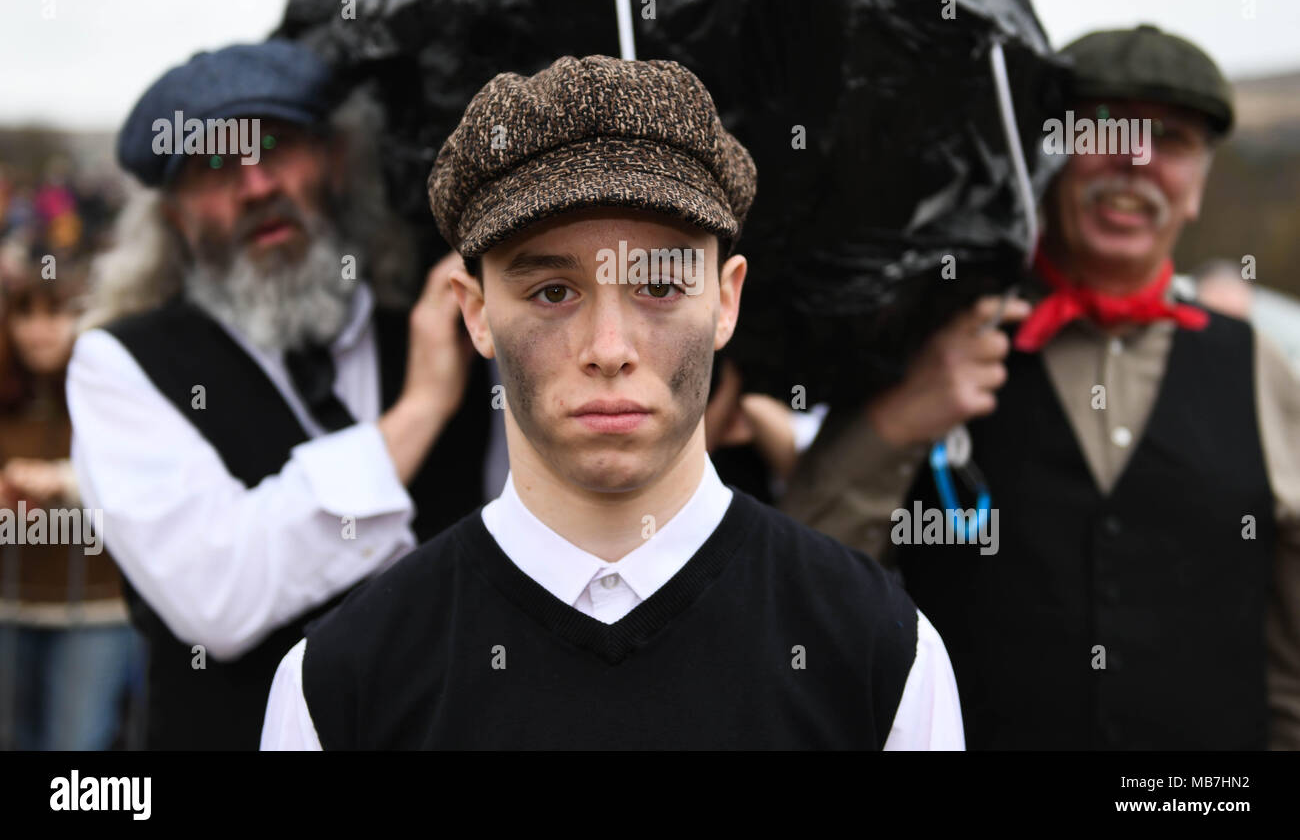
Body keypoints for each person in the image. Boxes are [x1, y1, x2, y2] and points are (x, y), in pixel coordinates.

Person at [261, 54, 964, 750]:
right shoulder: (339, 685)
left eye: (657, 285)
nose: (608, 345)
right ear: (475, 313)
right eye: (552, 291)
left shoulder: (884, 655)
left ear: (726, 299)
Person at [780, 23, 1300, 750]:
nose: (1136, 163)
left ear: (1198, 187)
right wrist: (898, 421)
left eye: (1173, 141)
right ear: (1046, 156)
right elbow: (800, 580)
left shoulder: (1257, 365)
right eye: (1105, 130)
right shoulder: (936, 339)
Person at [67, 40, 491, 749]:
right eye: (213, 164)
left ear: (333, 159)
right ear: (173, 212)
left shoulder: (446, 324)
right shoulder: (119, 363)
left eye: (276, 145)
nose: (257, 184)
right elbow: (219, 595)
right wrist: (417, 412)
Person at [0, 268, 141, 750]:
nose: (39, 331)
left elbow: (142, 476)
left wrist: (61, 481)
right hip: (11, 603)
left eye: (55, 314)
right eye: (26, 315)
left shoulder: (110, 397)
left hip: (95, 610)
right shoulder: (10, 402)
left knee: (76, 745)